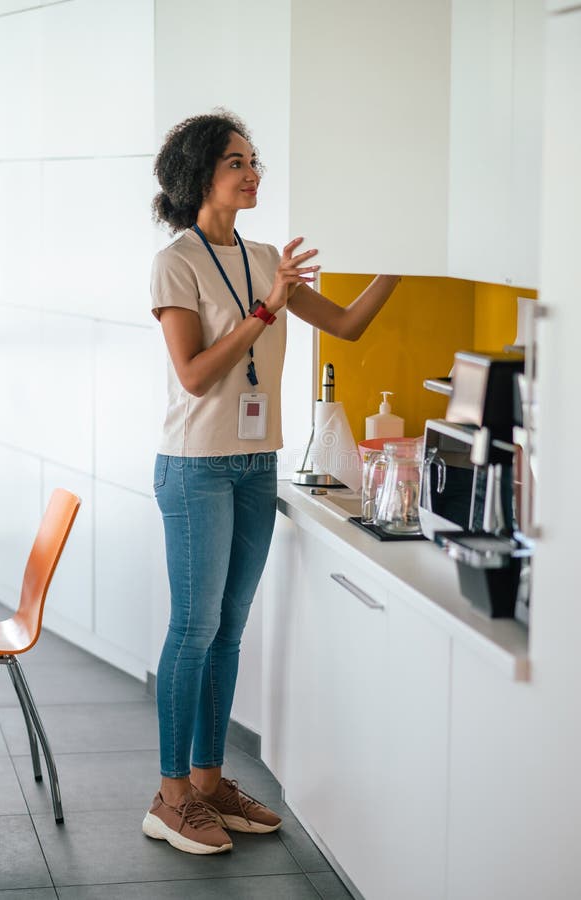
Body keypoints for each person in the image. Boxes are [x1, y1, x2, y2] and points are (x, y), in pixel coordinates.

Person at [144, 110, 401, 856]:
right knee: (193, 631)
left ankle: (207, 782)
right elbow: (194, 377)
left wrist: (402, 254)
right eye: (235, 161)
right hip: (194, 465)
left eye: (255, 160)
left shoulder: (264, 255)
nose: (252, 171)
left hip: (258, 463)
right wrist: (265, 308)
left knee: (226, 633)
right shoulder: (177, 262)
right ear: (200, 175)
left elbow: (348, 325)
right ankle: (167, 798)